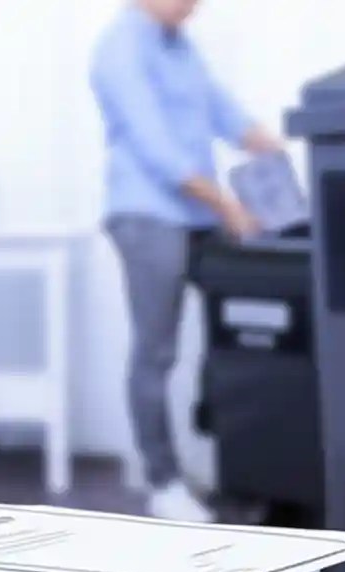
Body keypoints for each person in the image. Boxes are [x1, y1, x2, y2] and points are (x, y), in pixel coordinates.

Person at [90, 0, 285, 522]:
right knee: (156, 351)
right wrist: (228, 205)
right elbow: (157, 149)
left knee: (237, 332)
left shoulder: (182, 47)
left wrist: (273, 145)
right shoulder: (121, 47)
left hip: (198, 214)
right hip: (149, 216)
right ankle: (162, 480)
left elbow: (222, 112)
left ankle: (244, 465)